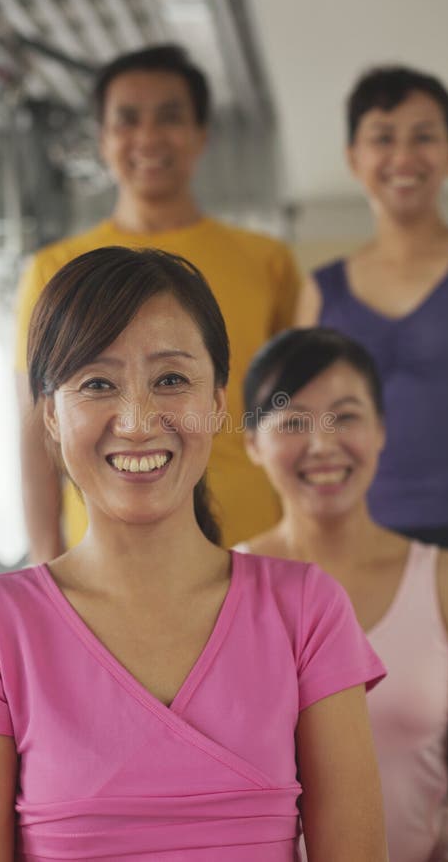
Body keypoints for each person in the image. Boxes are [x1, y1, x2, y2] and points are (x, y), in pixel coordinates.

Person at [0, 248, 387, 861]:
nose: (139, 420)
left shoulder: (306, 610)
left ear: (219, 404)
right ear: (50, 417)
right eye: (97, 383)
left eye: (171, 380)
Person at [295, 65, 448, 856]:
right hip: (368, 554)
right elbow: (283, 425)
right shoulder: (317, 291)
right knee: (384, 749)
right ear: (354, 156)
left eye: (424, 134)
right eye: (383, 137)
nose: (405, 153)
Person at [238, 326, 448, 862]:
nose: (322, 445)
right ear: (252, 443)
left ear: (380, 430)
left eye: (345, 416)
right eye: (294, 422)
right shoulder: (218, 588)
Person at [15, 44, 299, 560]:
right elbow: (37, 431)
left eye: (169, 117)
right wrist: (45, 562)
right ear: (102, 140)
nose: (147, 137)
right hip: (104, 552)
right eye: (127, 120)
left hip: (256, 540)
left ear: (200, 135)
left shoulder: (267, 261)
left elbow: (296, 411)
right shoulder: (53, 271)